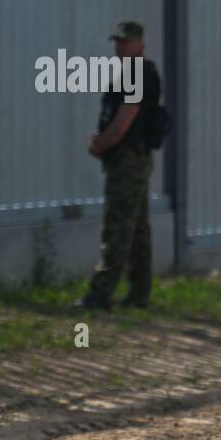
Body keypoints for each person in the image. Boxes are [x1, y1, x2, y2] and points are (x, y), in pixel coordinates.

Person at [78, 20, 162, 310]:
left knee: (117, 229)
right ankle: (139, 293)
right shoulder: (132, 73)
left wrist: (100, 144)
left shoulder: (138, 75)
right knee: (136, 229)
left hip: (128, 160)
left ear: (140, 43)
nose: (119, 47)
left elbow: (126, 118)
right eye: (117, 42)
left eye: (125, 42)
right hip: (130, 159)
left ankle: (100, 294)